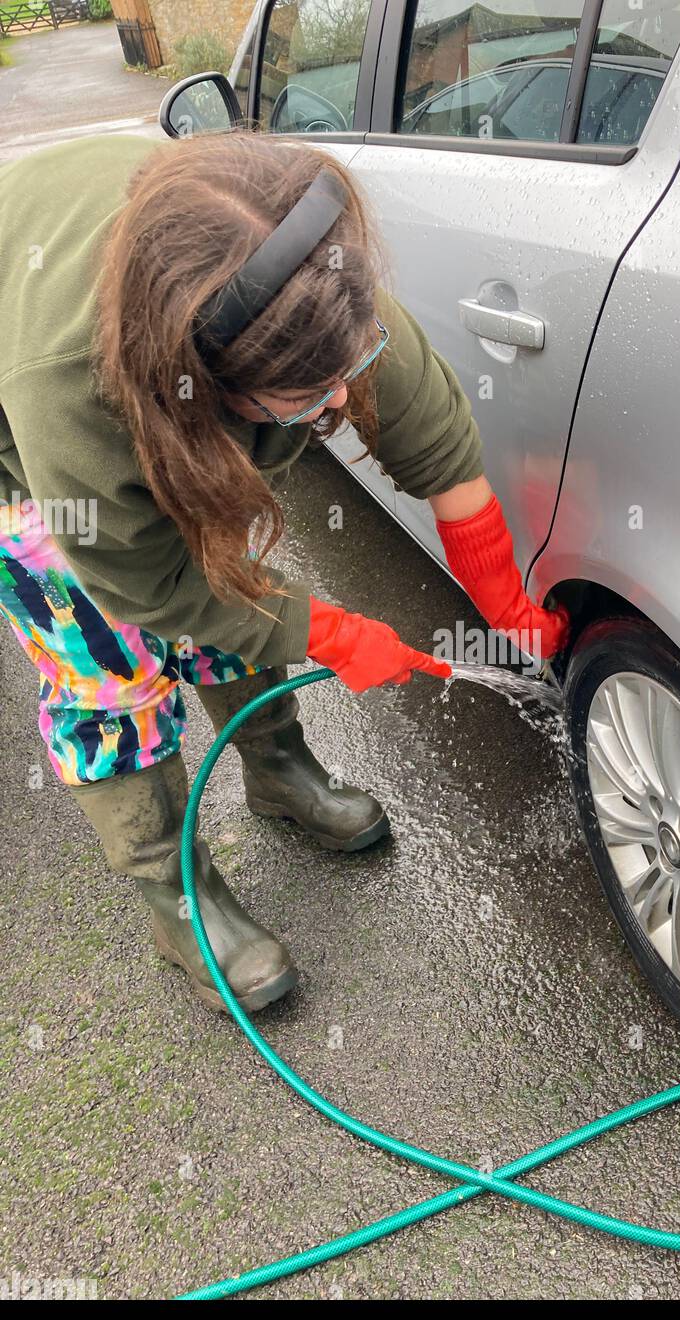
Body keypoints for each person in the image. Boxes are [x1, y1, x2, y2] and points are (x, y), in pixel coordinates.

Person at [0, 130, 569, 1013]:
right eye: (308, 400)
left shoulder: (298, 276)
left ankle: (274, 769)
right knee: (107, 671)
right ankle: (177, 896)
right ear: (202, 378)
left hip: (170, 362)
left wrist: (504, 600)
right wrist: (328, 633)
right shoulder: (68, 391)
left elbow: (431, 438)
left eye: (345, 372)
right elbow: (146, 584)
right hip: (33, 460)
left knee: (236, 571)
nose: (338, 401)